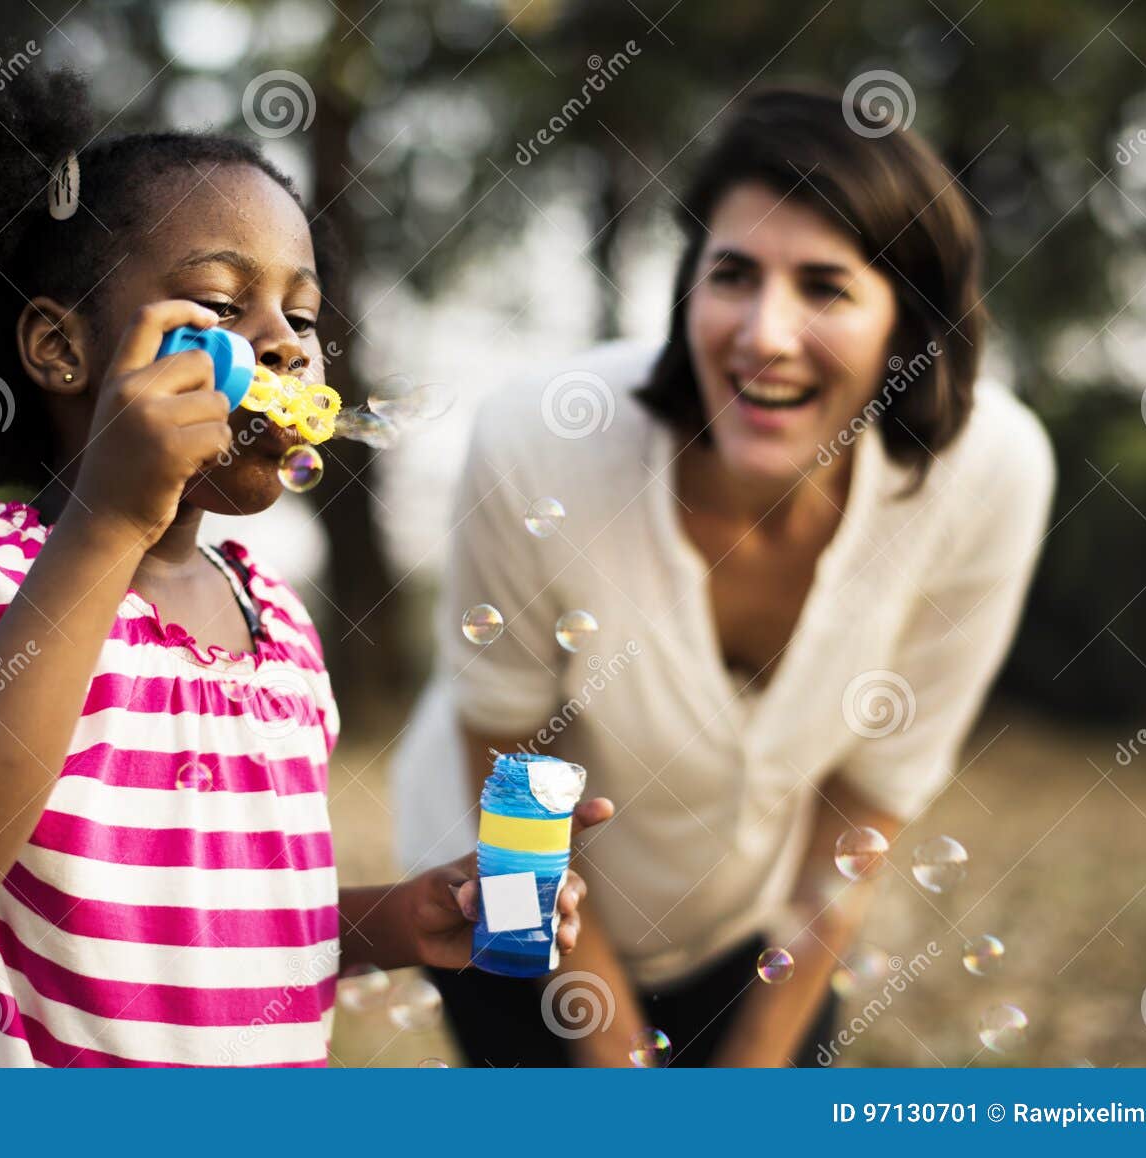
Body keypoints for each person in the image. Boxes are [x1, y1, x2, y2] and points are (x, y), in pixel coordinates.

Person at [0, 64, 609, 1068]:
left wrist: (400, 918)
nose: (286, 346)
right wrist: (109, 523)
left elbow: (236, 918)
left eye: (303, 317)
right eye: (220, 301)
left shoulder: (278, 622)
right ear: (60, 347)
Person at [391, 87, 1055, 1067]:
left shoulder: (989, 474)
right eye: (733, 274)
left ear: (908, 329)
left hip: (746, 929)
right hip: (505, 903)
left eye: (824, 288)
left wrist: (751, 1077)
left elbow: (865, 801)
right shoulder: (539, 440)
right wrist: (617, 1061)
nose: (764, 334)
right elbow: (509, 755)